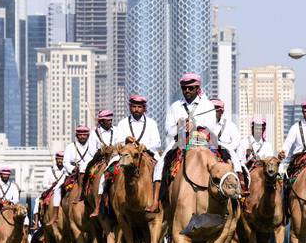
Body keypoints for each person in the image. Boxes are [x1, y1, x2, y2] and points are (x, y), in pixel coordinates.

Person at [148, 73, 238, 212]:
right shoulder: (175, 107)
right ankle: (156, 202)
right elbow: (168, 130)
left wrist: (195, 125)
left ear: (197, 88)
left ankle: (237, 191)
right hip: (182, 140)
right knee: (160, 164)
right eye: (184, 88)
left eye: (190, 88)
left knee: (230, 155)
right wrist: (180, 127)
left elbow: (212, 126)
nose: (187, 91)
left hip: (205, 139)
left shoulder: (207, 104)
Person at [93, 94, 162, 218]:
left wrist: (144, 146)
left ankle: (160, 202)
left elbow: (157, 142)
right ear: (130, 107)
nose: (136, 109)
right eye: (134, 106)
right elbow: (117, 143)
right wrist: (126, 141)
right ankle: (101, 205)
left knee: (161, 170)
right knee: (107, 173)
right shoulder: (123, 123)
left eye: (139, 107)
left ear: (144, 108)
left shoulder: (151, 123)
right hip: (126, 155)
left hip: (147, 153)